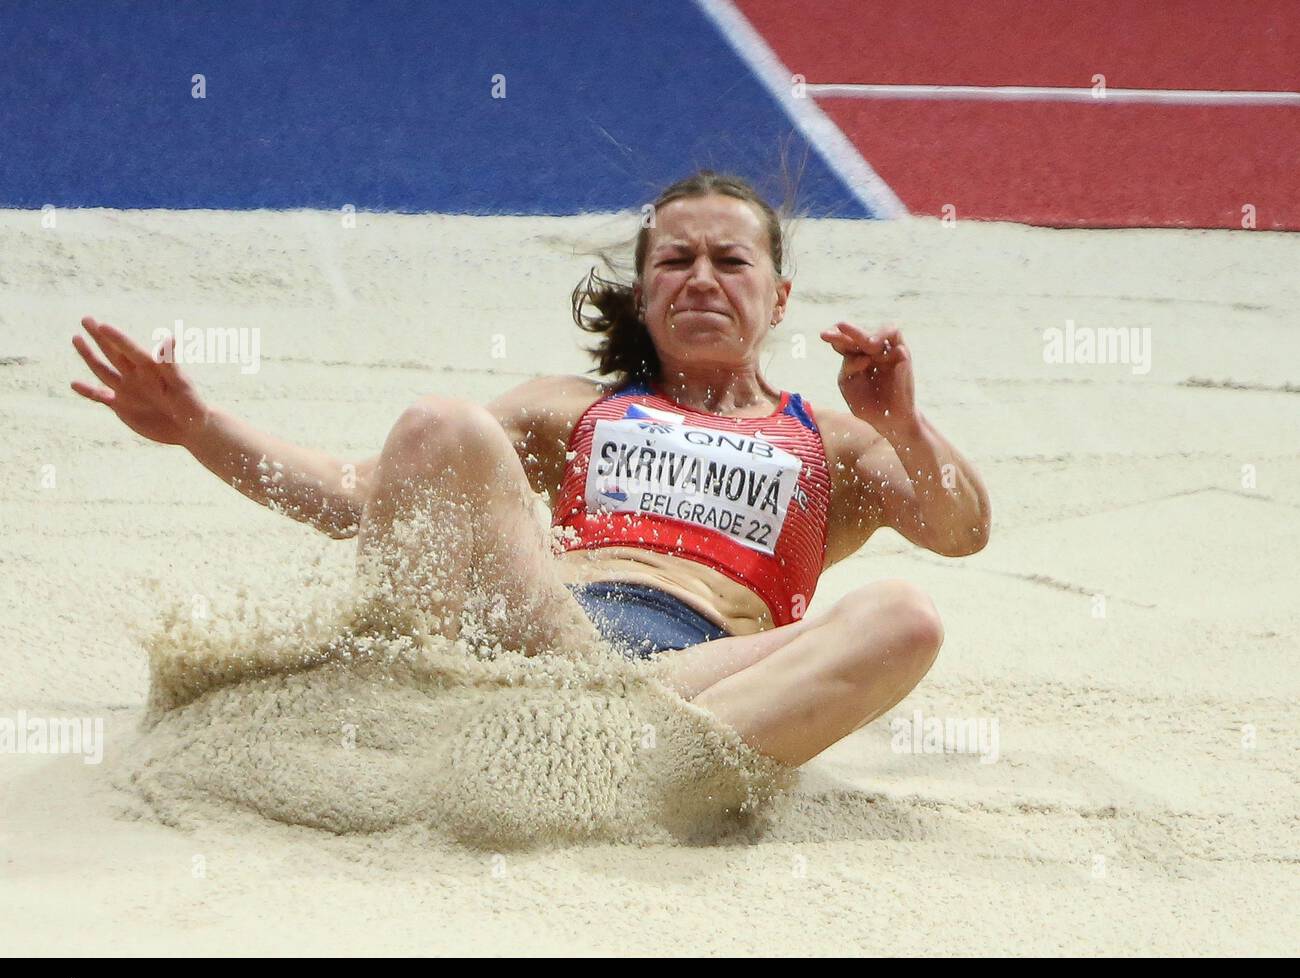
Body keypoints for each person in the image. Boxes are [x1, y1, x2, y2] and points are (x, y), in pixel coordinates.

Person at [70, 170, 990, 768]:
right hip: (551, 644)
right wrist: (200, 428)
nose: (702, 277)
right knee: (440, 424)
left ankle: (662, 772)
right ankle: (391, 708)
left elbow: (962, 531)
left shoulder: (834, 442)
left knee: (904, 617)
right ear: (646, 295)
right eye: (675, 260)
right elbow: (364, 496)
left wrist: (906, 426)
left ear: (779, 296)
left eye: (730, 260)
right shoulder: (572, 407)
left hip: (702, 679)